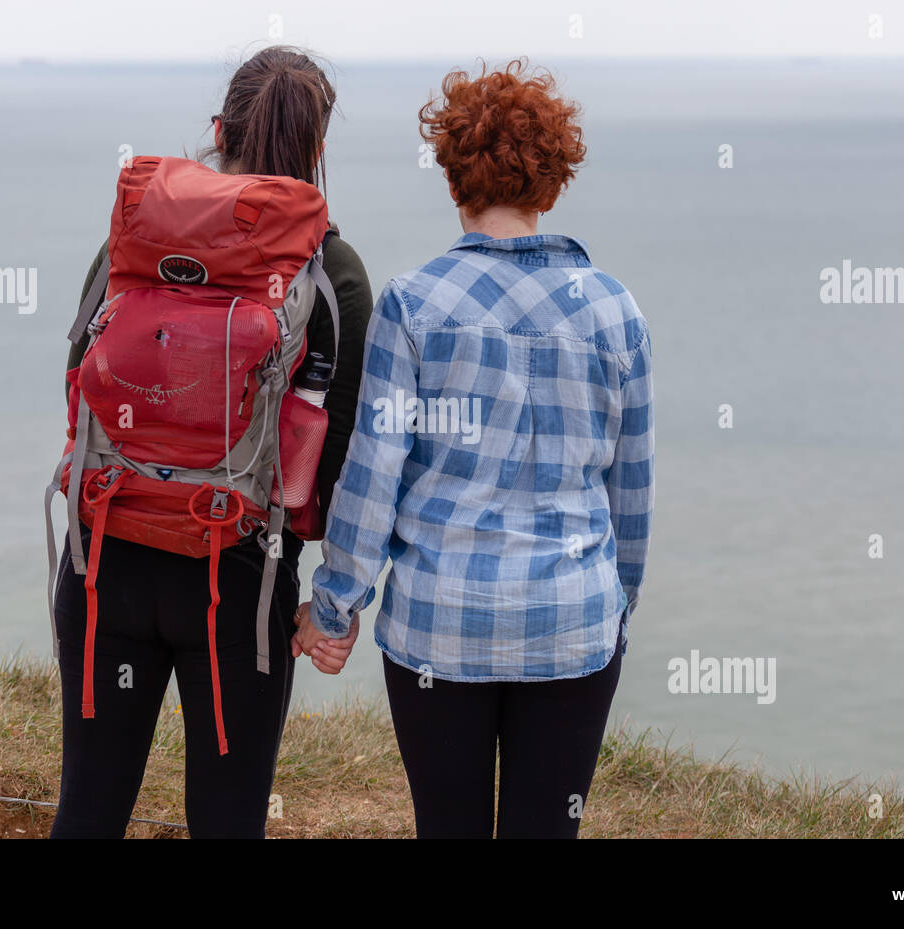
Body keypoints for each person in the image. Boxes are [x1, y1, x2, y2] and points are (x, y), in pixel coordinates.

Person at [294, 59, 654, 839]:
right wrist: (614, 605)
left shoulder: (411, 304)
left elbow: (374, 475)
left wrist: (333, 608)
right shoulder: (616, 312)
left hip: (437, 626)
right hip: (571, 624)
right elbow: (633, 492)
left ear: (454, 178)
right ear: (552, 185)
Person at [51, 46, 372, 839]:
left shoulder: (137, 237)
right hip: (238, 578)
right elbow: (335, 472)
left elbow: (77, 377)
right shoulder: (331, 271)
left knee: (88, 813)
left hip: (104, 556)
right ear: (318, 151)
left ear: (219, 129)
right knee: (227, 825)